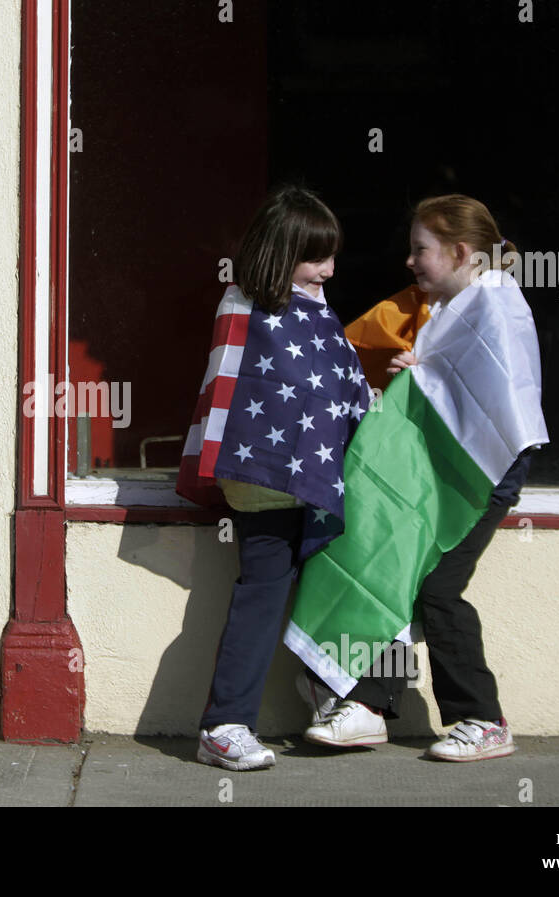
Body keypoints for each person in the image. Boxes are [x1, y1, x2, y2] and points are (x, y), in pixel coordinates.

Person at [301, 194, 544, 761]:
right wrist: (423, 373)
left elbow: (494, 401)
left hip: (485, 473)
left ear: (460, 251)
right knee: (398, 571)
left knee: (435, 586)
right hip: (449, 465)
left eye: (420, 250)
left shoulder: (494, 303)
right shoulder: (462, 302)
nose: (410, 261)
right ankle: (367, 706)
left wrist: (424, 376)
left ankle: (482, 719)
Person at [175, 184, 373, 771]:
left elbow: (333, 383)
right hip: (264, 478)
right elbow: (241, 389)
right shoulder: (246, 306)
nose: (330, 269)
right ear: (282, 254)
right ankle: (225, 724)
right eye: (318, 257)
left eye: (332, 255)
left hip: (302, 478)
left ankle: (336, 698)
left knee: (318, 586)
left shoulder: (305, 306)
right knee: (263, 596)